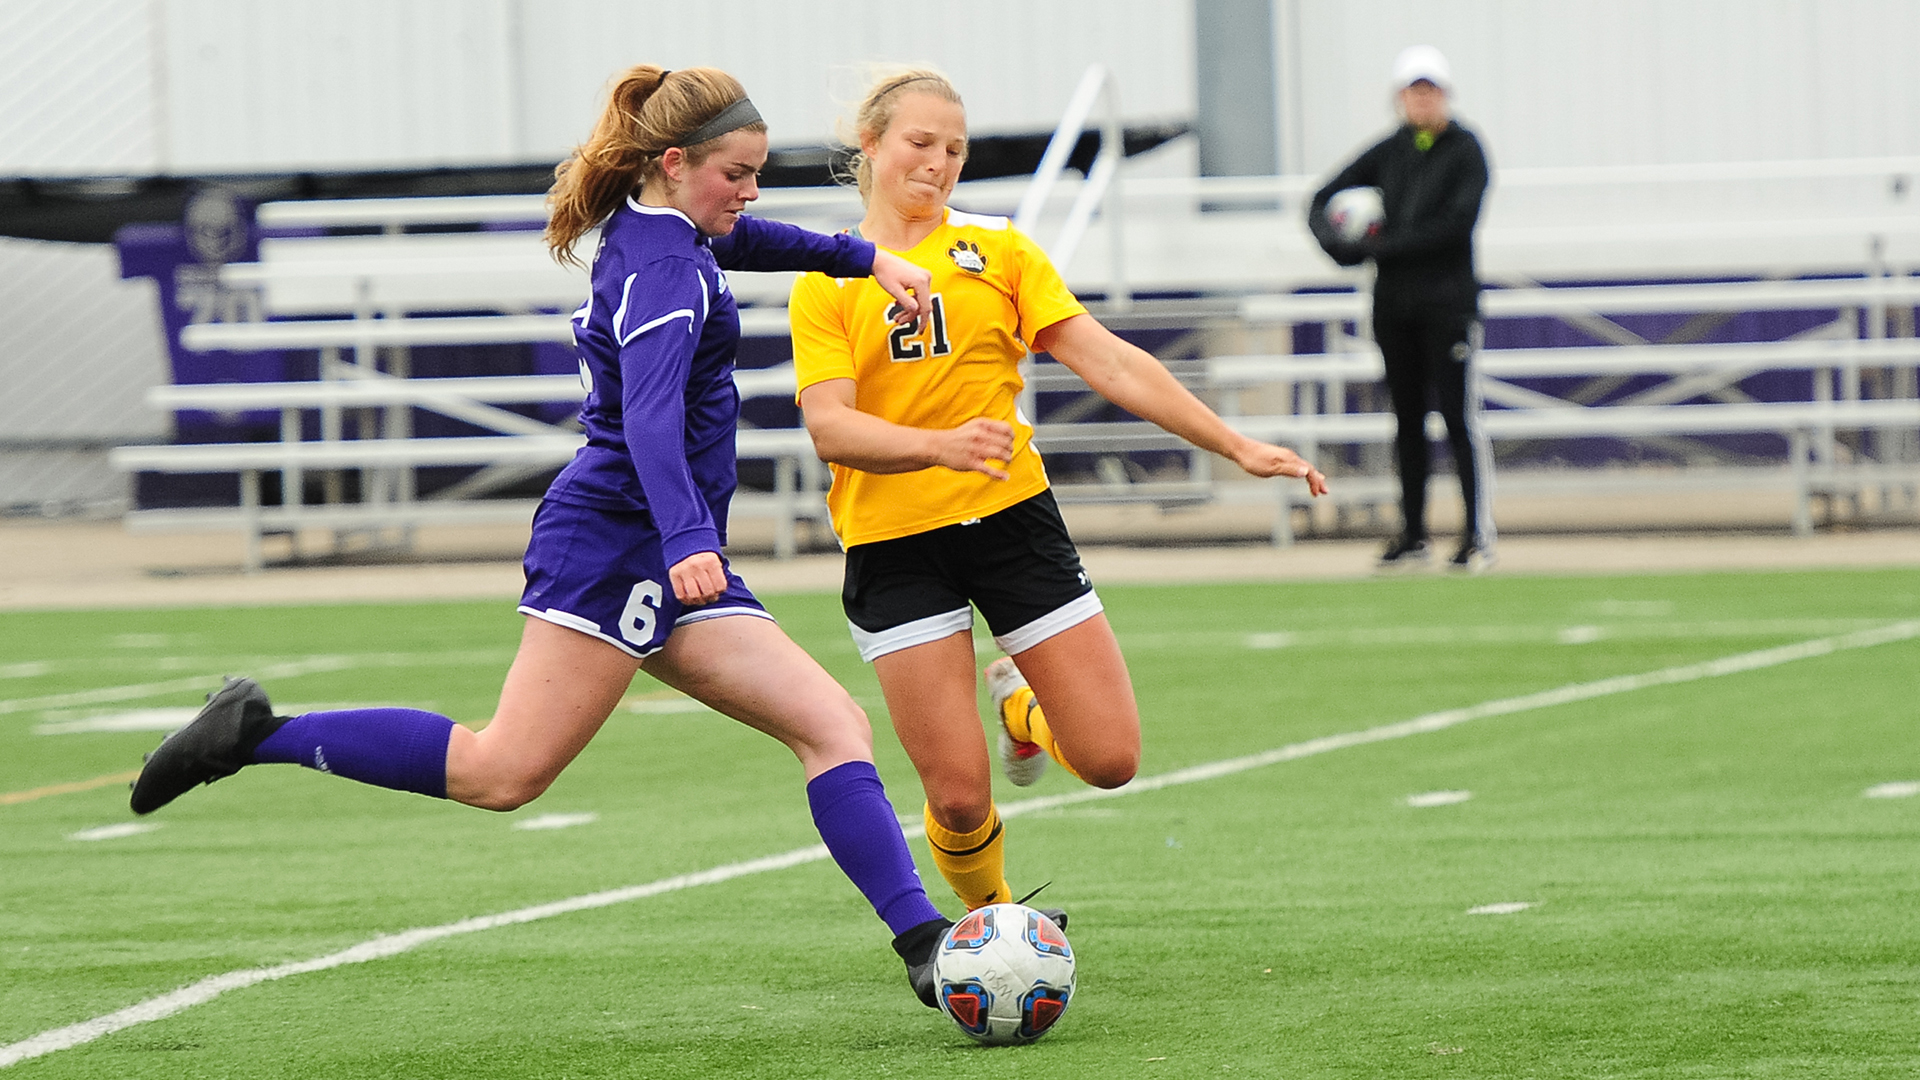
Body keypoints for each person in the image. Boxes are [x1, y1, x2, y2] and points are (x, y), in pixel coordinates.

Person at [128, 64, 962, 1009]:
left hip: (662, 544)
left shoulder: (664, 229)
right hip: (618, 544)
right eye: (737, 173)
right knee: (502, 772)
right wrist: (688, 539)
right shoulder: (666, 267)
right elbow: (649, 420)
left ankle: (924, 943)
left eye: (757, 173)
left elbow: (746, 237)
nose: (751, 192)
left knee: (831, 726)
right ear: (675, 162)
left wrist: (865, 260)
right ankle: (256, 734)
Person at [786, 69, 1328, 917]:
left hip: (1012, 525)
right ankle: (998, 926)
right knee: (957, 797)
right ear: (871, 145)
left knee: (1111, 760)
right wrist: (940, 447)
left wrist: (1235, 444)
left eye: (955, 149)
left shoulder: (998, 250)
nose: (938, 163)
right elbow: (831, 429)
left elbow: (1110, 361)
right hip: (893, 546)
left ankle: (1022, 712)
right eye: (920, 143)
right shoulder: (826, 279)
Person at [1308, 45, 1495, 573]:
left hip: (1447, 306)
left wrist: (1381, 246)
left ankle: (1475, 535)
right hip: (1394, 308)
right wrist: (1340, 247)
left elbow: (1455, 225)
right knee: (1407, 421)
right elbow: (1321, 198)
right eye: (1414, 90)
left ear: (1446, 95)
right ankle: (1413, 534)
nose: (1422, 100)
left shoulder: (1466, 150)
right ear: (1399, 98)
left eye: (1431, 90)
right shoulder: (1390, 152)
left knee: (1457, 419)